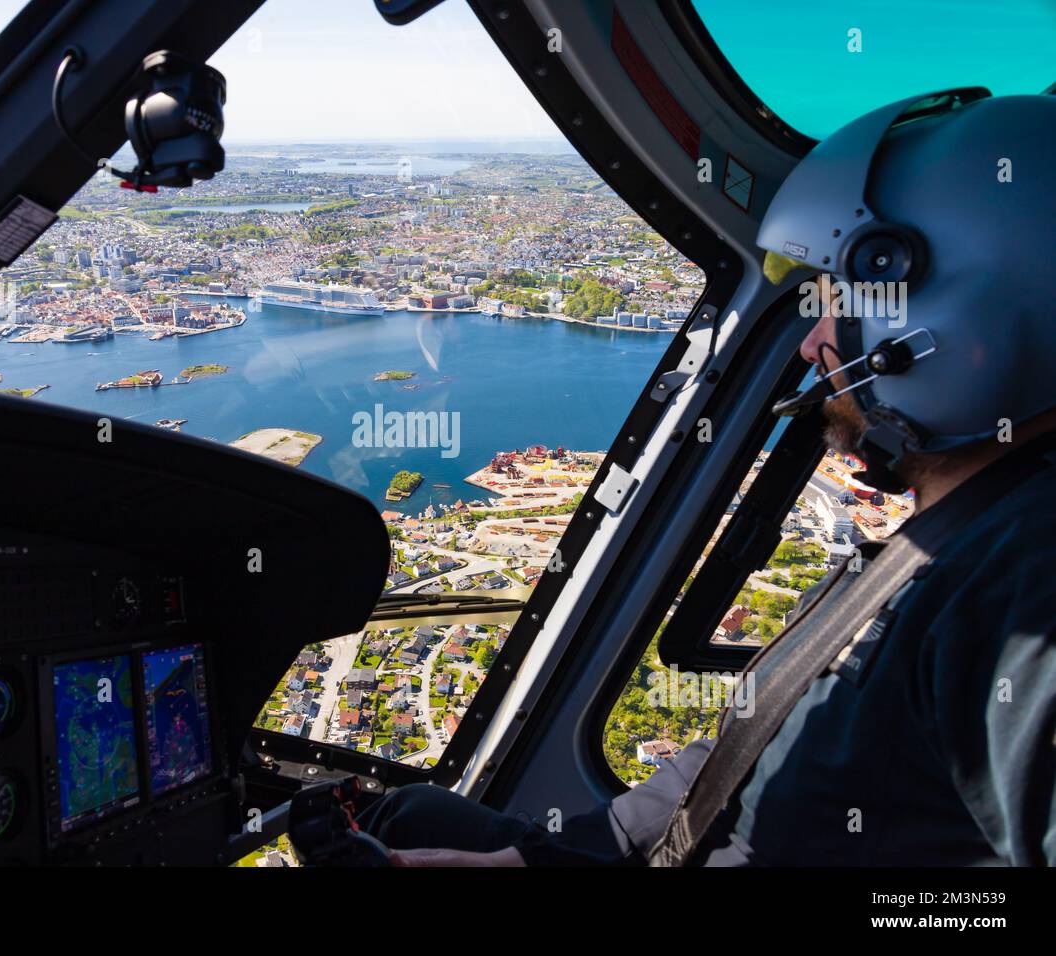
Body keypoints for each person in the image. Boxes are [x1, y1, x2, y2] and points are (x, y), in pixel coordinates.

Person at [357, 90, 1056, 866]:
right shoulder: (953, 546)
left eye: (836, 305)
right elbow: (753, 748)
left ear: (958, 320)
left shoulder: (1029, 591)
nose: (812, 344)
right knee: (410, 818)